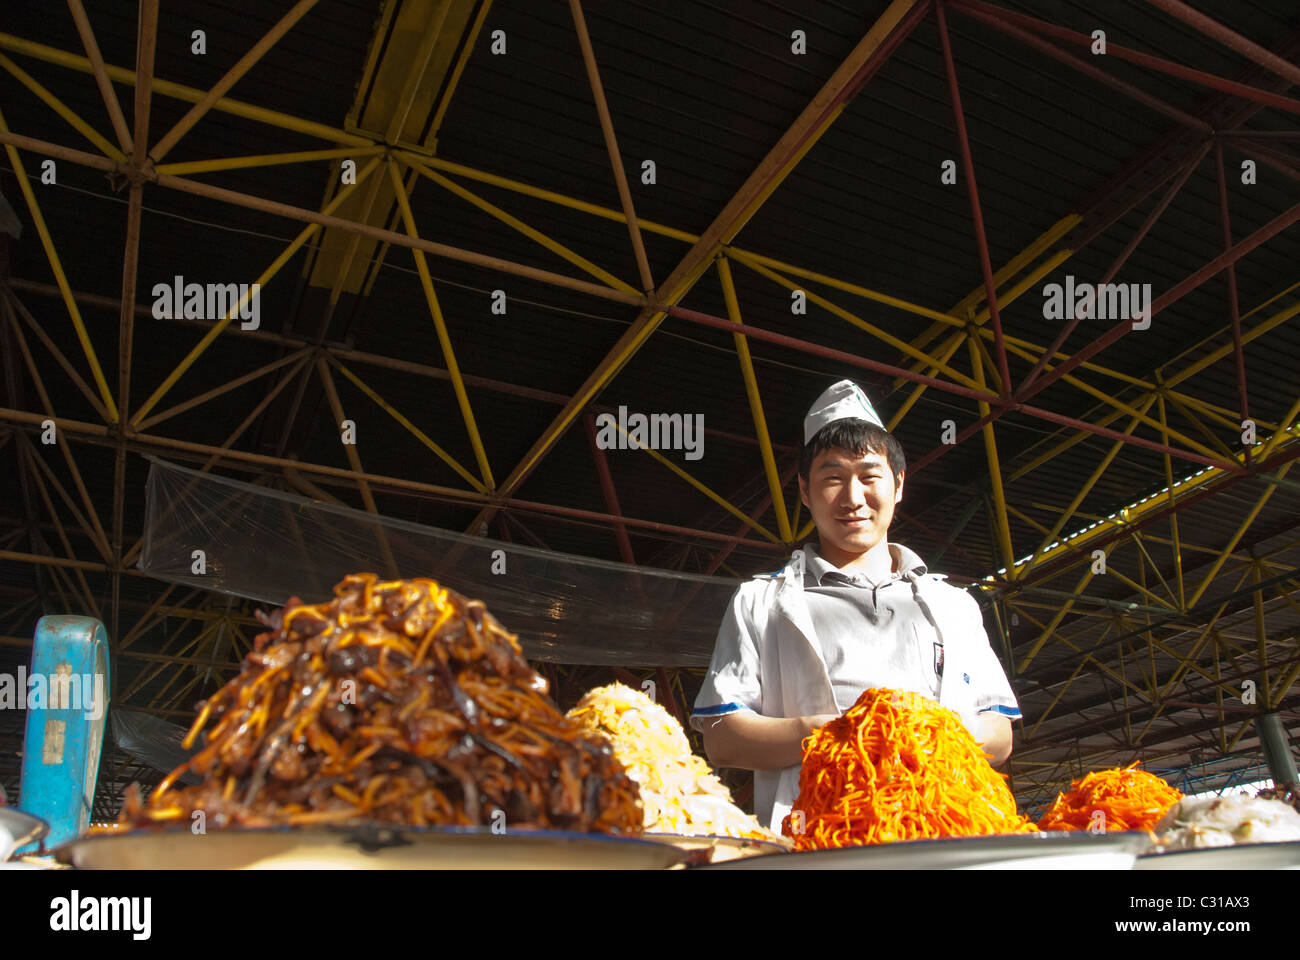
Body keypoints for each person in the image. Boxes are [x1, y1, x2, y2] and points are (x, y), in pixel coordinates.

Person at [690, 379, 1021, 832]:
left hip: (953, 834)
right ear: (805, 492)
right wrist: (844, 733)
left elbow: (999, 735)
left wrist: (917, 736)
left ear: (898, 484)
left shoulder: (954, 605)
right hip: (824, 837)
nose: (853, 498)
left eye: (869, 476)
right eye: (832, 478)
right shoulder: (759, 601)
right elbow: (723, 738)